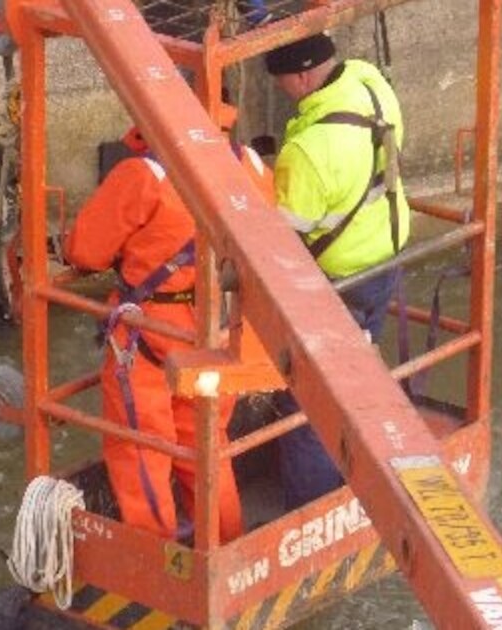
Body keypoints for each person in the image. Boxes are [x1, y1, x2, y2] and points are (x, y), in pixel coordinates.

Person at [64, 103, 274, 544]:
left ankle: (158, 558)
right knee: (206, 446)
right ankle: (225, 546)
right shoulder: (250, 165)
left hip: (151, 331)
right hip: (218, 327)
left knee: (142, 449)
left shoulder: (145, 175)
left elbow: (85, 251)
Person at [264, 33, 411, 510]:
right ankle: (356, 457)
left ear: (303, 76)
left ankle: (312, 507)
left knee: (310, 402)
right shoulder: (369, 82)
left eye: (282, 81)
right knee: (358, 368)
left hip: (340, 281)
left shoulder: (309, 151)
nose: (282, 89)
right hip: (385, 255)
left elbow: (280, 243)